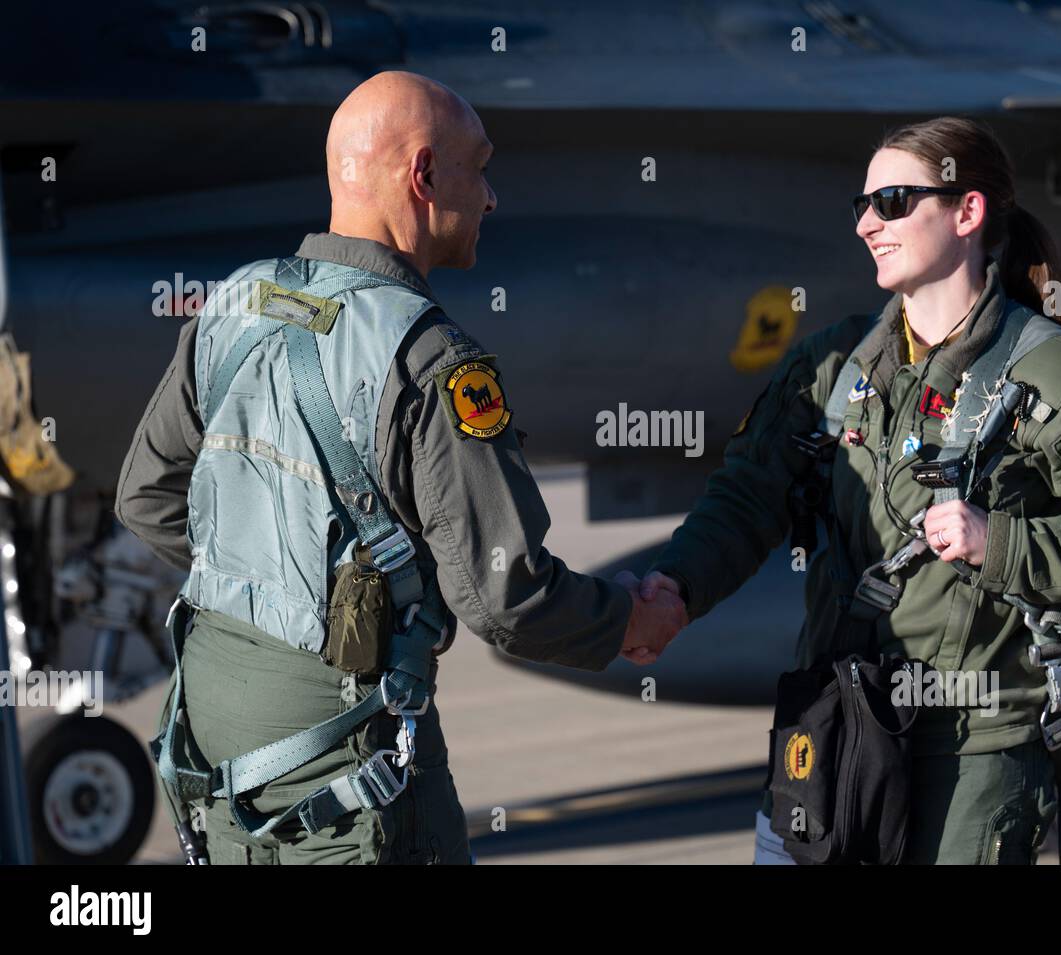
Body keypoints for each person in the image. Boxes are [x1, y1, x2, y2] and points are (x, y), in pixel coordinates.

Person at [115, 72, 686, 865]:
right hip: (340, 758)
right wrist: (629, 618)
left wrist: (276, 585)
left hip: (213, 737)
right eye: (478, 168)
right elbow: (505, 596)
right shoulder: (433, 360)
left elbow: (146, 496)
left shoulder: (235, 302)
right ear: (422, 176)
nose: (489, 198)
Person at [633, 116, 1061, 864]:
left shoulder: (1056, 373)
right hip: (838, 728)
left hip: (972, 749)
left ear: (968, 213)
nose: (868, 223)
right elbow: (748, 493)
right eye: (862, 205)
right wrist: (678, 585)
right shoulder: (832, 366)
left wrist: (999, 542)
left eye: (894, 200)